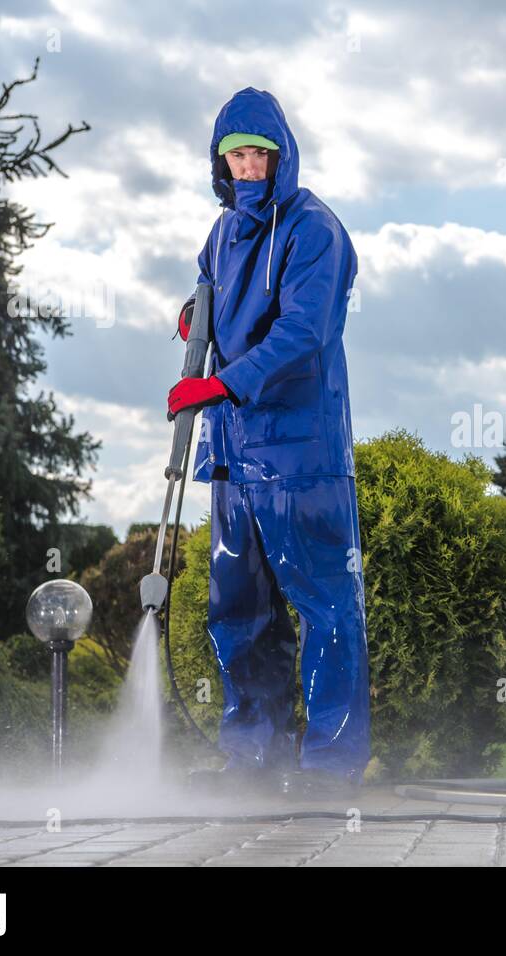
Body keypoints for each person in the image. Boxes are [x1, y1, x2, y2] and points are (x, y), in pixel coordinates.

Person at [168, 87, 369, 795]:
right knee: (238, 609)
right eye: (236, 156)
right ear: (221, 164)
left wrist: (223, 384)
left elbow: (303, 332)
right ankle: (254, 756)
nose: (249, 166)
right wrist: (196, 314)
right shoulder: (221, 235)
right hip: (232, 455)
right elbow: (210, 298)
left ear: (281, 158)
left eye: (259, 154)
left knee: (324, 608)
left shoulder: (316, 229)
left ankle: (330, 767)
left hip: (300, 453)